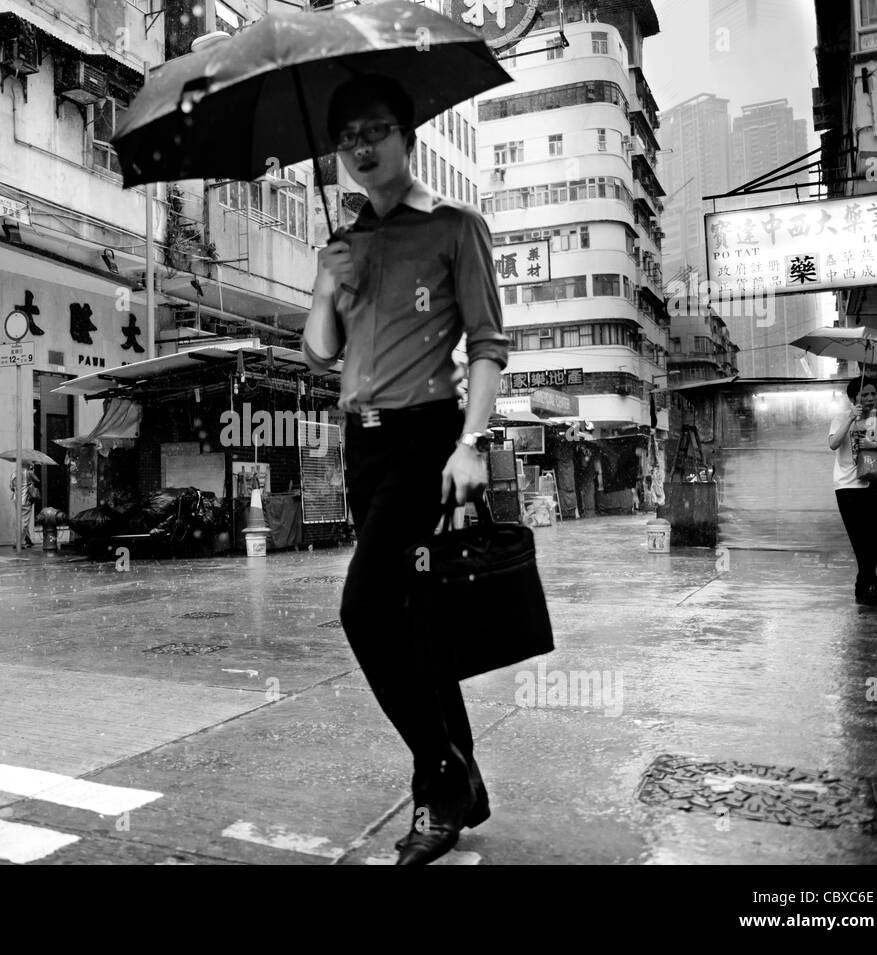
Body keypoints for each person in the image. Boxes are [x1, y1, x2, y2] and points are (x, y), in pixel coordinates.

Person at [301, 75, 510, 865]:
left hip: (427, 438)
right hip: (363, 442)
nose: (360, 147)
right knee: (414, 620)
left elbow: (487, 344)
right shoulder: (348, 240)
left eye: (375, 130)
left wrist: (471, 442)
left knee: (363, 607)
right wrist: (326, 281)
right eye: (348, 136)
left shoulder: (455, 228)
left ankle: (441, 773)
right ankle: (460, 785)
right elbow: (320, 350)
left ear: (407, 135)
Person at [829, 379, 877, 605]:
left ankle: (864, 581)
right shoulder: (841, 418)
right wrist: (851, 418)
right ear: (853, 398)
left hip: (875, 482)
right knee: (859, 538)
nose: (870, 398)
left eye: (873, 394)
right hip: (848, 486)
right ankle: (870, 583)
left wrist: (875, 445)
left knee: (875, 535)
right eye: (864, 394)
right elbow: (833, 444)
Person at [9, 462, 39, 547]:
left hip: (16, 500)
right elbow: (37, 480)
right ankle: (19, 543)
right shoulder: (29, 473)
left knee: (21, 520)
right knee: (24, 522)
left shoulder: (14, 473)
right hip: (26, 500)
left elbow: (11, 487)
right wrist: (32, 470)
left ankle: (27, 540)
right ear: (27, 465)